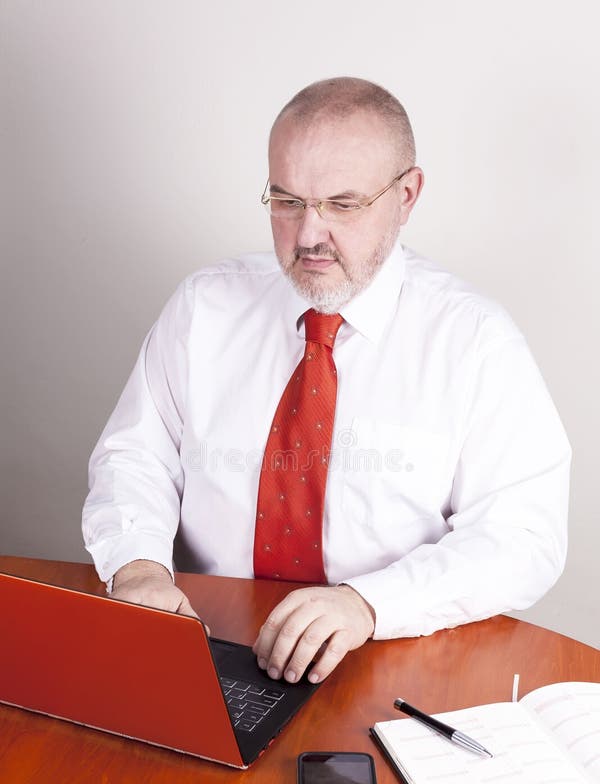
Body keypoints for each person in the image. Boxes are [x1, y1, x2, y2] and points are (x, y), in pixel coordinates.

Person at [82, 77, 571, 686]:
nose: (309, 235)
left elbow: (523, 537)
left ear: (407, 194)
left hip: (391, 655)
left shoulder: (474, 340)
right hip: (208, 645)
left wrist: (369, 603)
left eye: (342, 204)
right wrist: (137, 570)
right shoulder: (204, 307)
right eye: (287, 201)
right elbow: (135, 457)